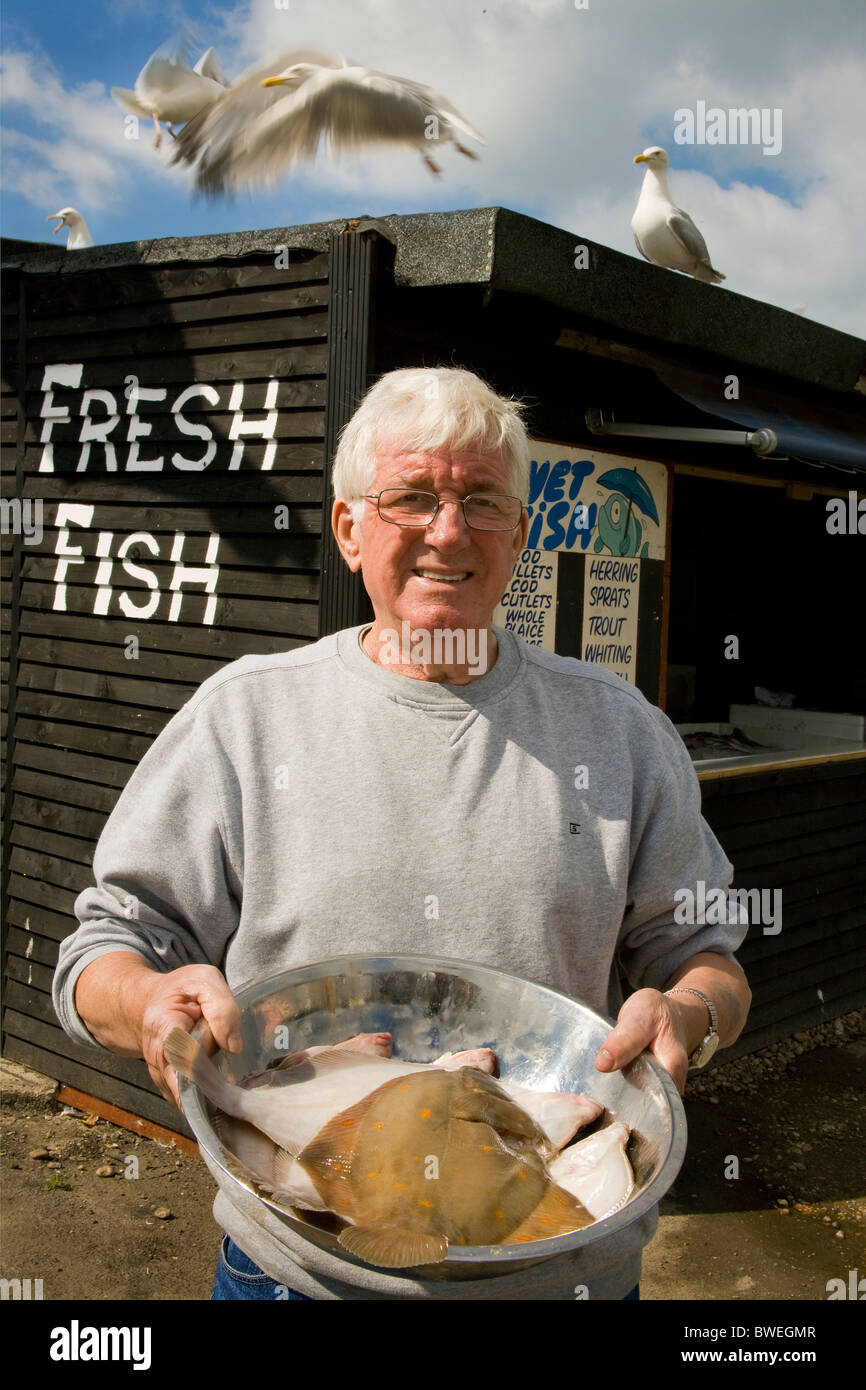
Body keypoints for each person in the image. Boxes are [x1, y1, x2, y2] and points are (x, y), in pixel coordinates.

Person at [54, 366, 751, 1301]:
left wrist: (693, 1015)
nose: (449, 532)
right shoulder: (245, 718)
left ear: (522, 533)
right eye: (411, 498)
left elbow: (710, 959)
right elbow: (104, 949)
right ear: (348, 530)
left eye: (482, 502)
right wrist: (146, 1001)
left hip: (557, 1272)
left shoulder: (620, 731)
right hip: (296, 1273)